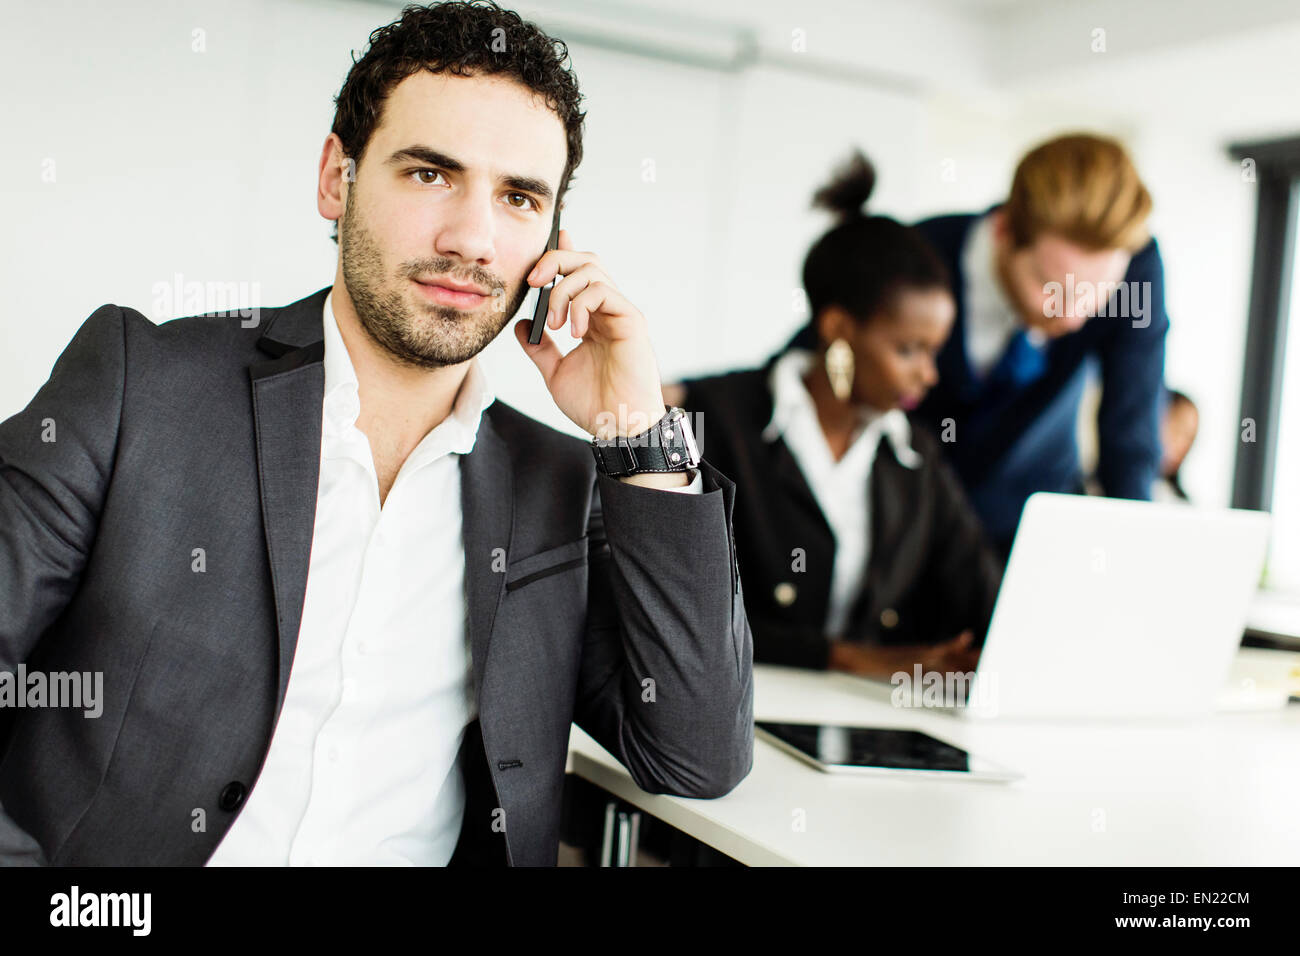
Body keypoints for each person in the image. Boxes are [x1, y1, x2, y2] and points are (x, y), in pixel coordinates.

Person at [0, 0, 753, 867]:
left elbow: (695, 757)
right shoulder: (142, 386)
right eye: (430, 173)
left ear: (552, 238)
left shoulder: (557, 487)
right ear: (337, 177)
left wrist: (639, 429)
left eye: (518, 196)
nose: (472, 238)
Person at [663, 151, 1003, 680]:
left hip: (852, 723)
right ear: (840, 327)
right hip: (718, 709)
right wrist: (843, 658)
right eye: (910, 350)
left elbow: (978, 591)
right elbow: (673, 604)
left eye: (934, 351)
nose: (929, 376)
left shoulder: (912, 455)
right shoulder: (711, 418)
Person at [787, 134, 1169, 555]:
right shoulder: (917, 254)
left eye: (1097, 293)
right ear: (1004, 229)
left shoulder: (1138, 267)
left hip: (1030, 523)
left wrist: (1134, 558)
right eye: (1051, 287)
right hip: (902, 526)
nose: (1073, 316)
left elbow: (1130, 433)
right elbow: (809, 362)